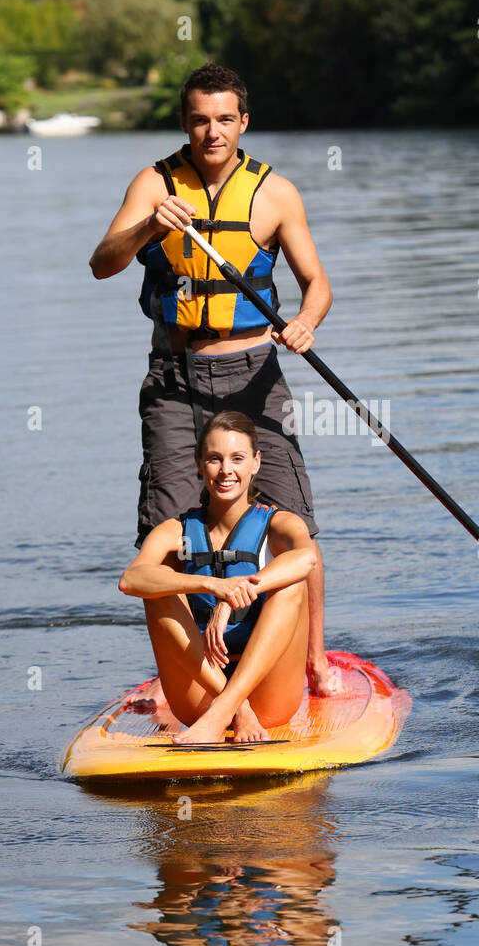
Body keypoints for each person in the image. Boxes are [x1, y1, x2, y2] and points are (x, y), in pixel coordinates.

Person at [90, 61, 340, 695]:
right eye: (200, 121)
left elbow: (317, 286)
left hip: (254, 376)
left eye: (224, 119)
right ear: (184, 123)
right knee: (166, 530)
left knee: (292, 523)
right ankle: (187, 676)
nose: (212, 133)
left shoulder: (275, 193)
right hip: (174, 379)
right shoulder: (154, 183)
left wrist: (306, 323)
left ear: (243, 121)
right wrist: (151, 225)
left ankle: (313, 662)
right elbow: (101, 264)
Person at [119, 412, 315, 746]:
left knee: (291, 584)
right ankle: (234, 710)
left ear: (255, 463)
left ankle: (226, 709)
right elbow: (131, 579)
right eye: (214, 459)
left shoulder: (279, 523)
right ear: (199, 464)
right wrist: (209, 584)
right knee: (158, 586)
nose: (226, 471)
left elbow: (307, 557)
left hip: (268, 695)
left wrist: (234, 596)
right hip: (199, 695)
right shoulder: (176, 530)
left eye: (237, 459)